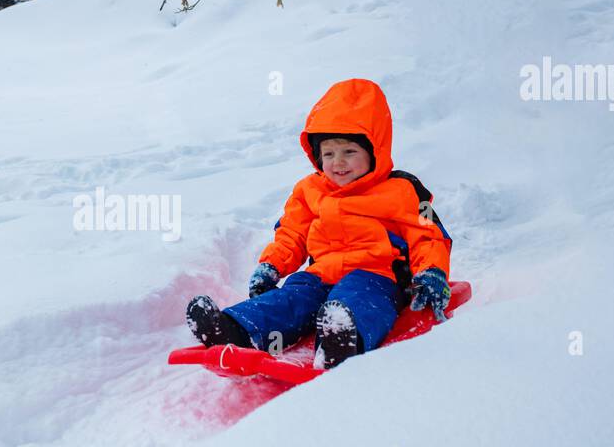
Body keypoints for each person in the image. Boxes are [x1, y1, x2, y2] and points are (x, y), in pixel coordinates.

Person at [185, 78, 453, 369]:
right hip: (320, 273)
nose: (338, 162)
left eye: (349, 151)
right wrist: (272, 265)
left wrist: (431, 273)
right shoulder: (310, 190)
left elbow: (427, 236)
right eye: (328, 153)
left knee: (359, 299)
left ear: (375, 150)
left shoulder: (400, 190)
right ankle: (235, 329)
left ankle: (342, 340)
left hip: (376, 275)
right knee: (292, 297)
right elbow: (291, 233)